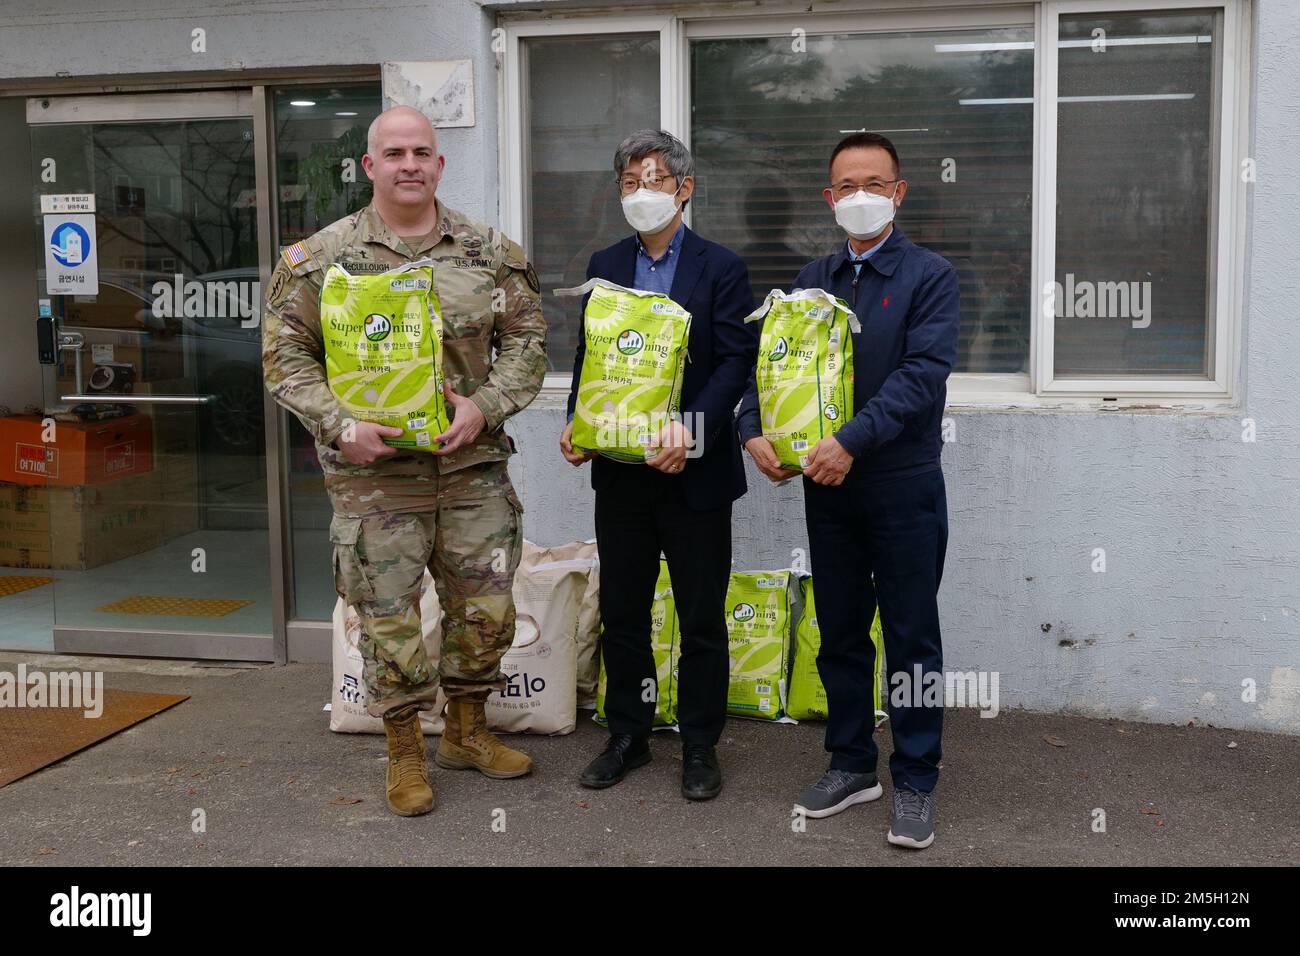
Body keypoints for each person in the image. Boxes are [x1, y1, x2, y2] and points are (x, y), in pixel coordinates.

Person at [263, 106, 547, 816]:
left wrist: (484, 405)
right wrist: (339, 424)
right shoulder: (322, 260)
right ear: (370, 166)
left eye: (422, 150)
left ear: (440, 164)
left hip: (472, 470)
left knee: (484, 612)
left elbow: (529, 343)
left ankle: (466, 732)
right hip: (374, 481)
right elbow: (284, 355)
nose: (410, 163)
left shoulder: (489, 253)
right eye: (394, 152)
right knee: (388, 617)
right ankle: (403, 752)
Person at [737, 132, 959, 849]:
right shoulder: (811, 279)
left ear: (899, 193)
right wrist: (751, 430)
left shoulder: (930, 276)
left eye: (875, 183)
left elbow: (922, 378)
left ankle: (917, 776)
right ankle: (852, 762)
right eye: (847, 186)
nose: (860, 197)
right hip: (826, 489)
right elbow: (768, 369)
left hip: (900, 485)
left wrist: (850, 442)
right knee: (838, 630)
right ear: (831, 200)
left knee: (911, 637)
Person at [559, 129, 758, 800]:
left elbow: (736, 361)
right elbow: (592, 359)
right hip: (620, 474)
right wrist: (575, 427)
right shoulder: (605, 260)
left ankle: (700, 745)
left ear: (685, 187)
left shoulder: (721, 266)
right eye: (629, 182)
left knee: (700, 616)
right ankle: (629, 736)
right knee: (623, 610)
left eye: (654, 179)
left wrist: (691, 430)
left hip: (694, 474)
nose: (641, 193)